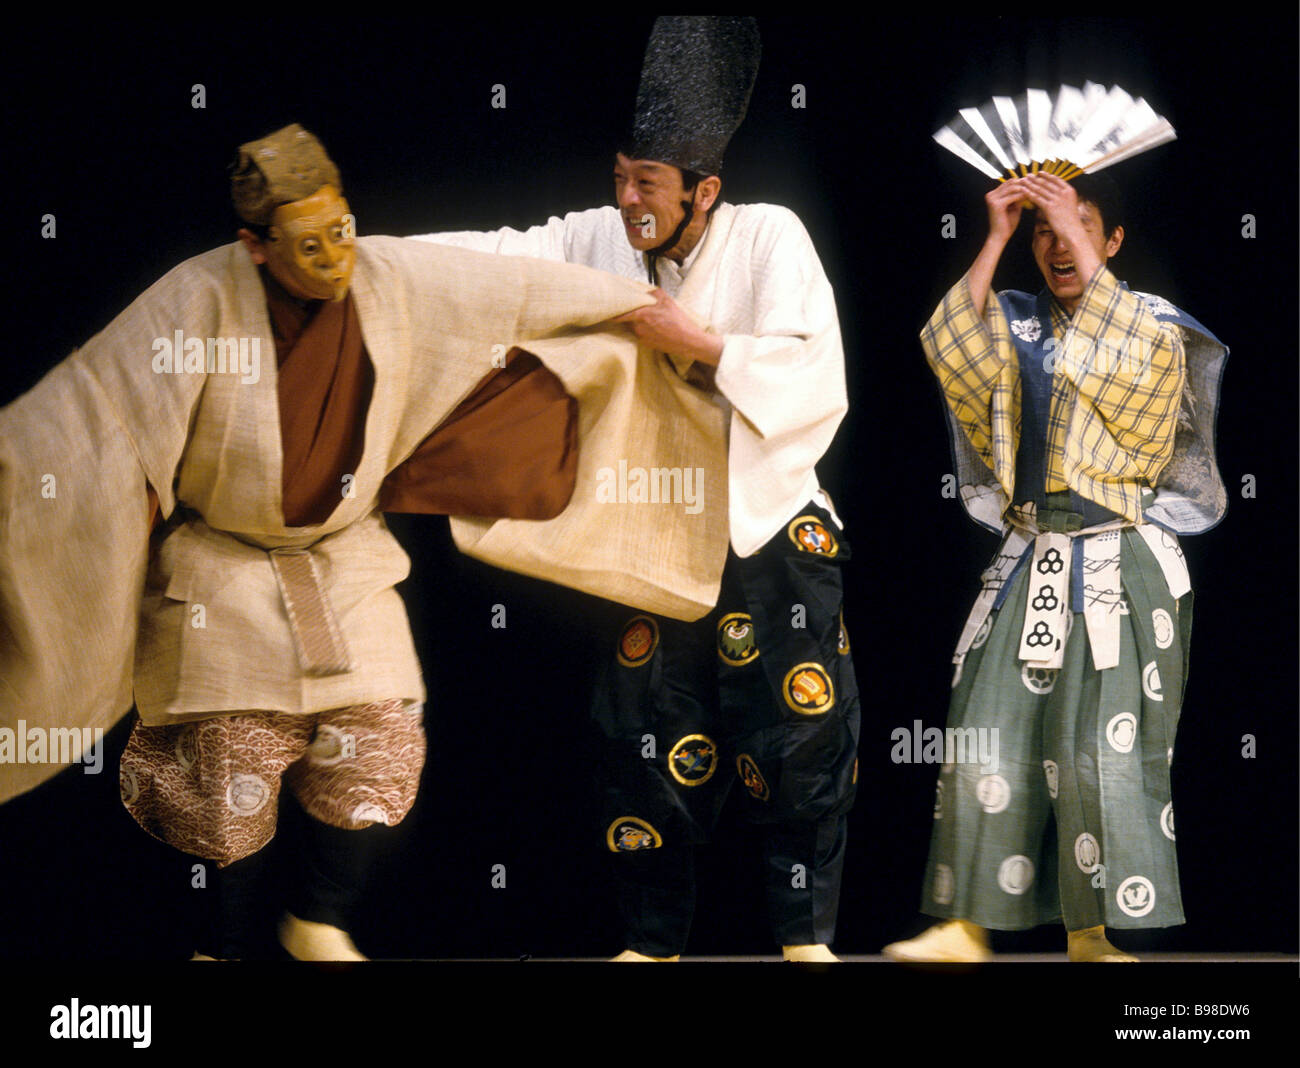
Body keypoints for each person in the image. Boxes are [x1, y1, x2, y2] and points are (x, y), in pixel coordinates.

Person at [0, 123, 698, 961]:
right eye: (308, 243)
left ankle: (318, 920)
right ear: (254, 246)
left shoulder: (387, 275)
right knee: (228, 773)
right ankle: (214, 945)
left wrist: (629, 309)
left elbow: (508, 291)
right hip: (223, 569)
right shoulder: (197, 298)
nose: (335, 256)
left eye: (341, 231)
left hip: (344, 561)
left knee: (380, 741)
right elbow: (97, 409)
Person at [412, 16, 860, 962]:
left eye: (646, 183)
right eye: (619, 177)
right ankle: (651, 943)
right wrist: (364, 257)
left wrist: (691, 339)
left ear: (705, 190)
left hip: (767, 531)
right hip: (654, 537)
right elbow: (492, 255)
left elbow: (818, 373)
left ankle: (805, 941)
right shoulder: (596, 238)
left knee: (797, 736)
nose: (626, 199)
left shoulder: (767, 237)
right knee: (643, 734)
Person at [884, 171, 1227, 963]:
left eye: (1074, 225)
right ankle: (965, 926)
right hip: (1030, 551)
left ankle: (1092, 933)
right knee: (984, 728)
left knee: (1096, 745)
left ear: (1112, 241)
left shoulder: (1151, 325)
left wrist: (1067, 234)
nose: (1055, 243)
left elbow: (1141, 413)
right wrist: (996, 235)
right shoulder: (1018, 324)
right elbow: (948, 351)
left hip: (1119, 557)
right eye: (1042, 230)